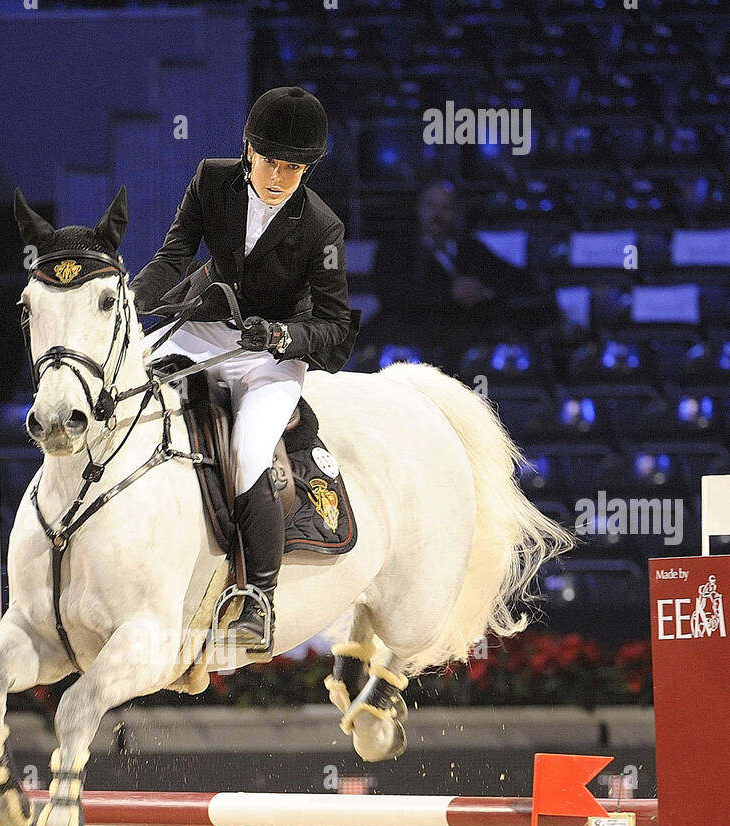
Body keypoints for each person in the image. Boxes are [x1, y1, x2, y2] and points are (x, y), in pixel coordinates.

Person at [131, 86, 357, 654]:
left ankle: (258, 595)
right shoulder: (211, 179)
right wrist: (128, 311)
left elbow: (335, 329)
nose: (280, 176)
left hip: (269, 358)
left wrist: (282, 335)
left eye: (295, 167)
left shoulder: (322, 229)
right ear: (248, 149)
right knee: (133, 388)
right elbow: (173, 257)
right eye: (271, 161)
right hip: (205, 328)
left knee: (248, 454)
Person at [370, 180, 557, 371]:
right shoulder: (395, 248)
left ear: (455, 212)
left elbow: (511, 277)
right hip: (412, 332)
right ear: (419, 208)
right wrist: (448, 292)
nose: (437, 215)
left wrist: (484, 292)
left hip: (464, 336)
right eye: (431, 206)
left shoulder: (469, 247)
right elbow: (389, 292)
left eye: (445, 207)